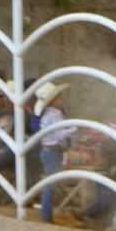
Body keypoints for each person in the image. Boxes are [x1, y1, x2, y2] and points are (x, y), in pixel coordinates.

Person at [34, 82, 75, 223]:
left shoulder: (48, 114)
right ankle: (47, 217)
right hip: (52, 152)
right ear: (53, 100)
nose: (61, 100)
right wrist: (73, 129)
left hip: (48, 151)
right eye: (59, 97)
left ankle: (48, 214)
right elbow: (58, 134)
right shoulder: (54, 114)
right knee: (50, 184)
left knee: (51, 183)